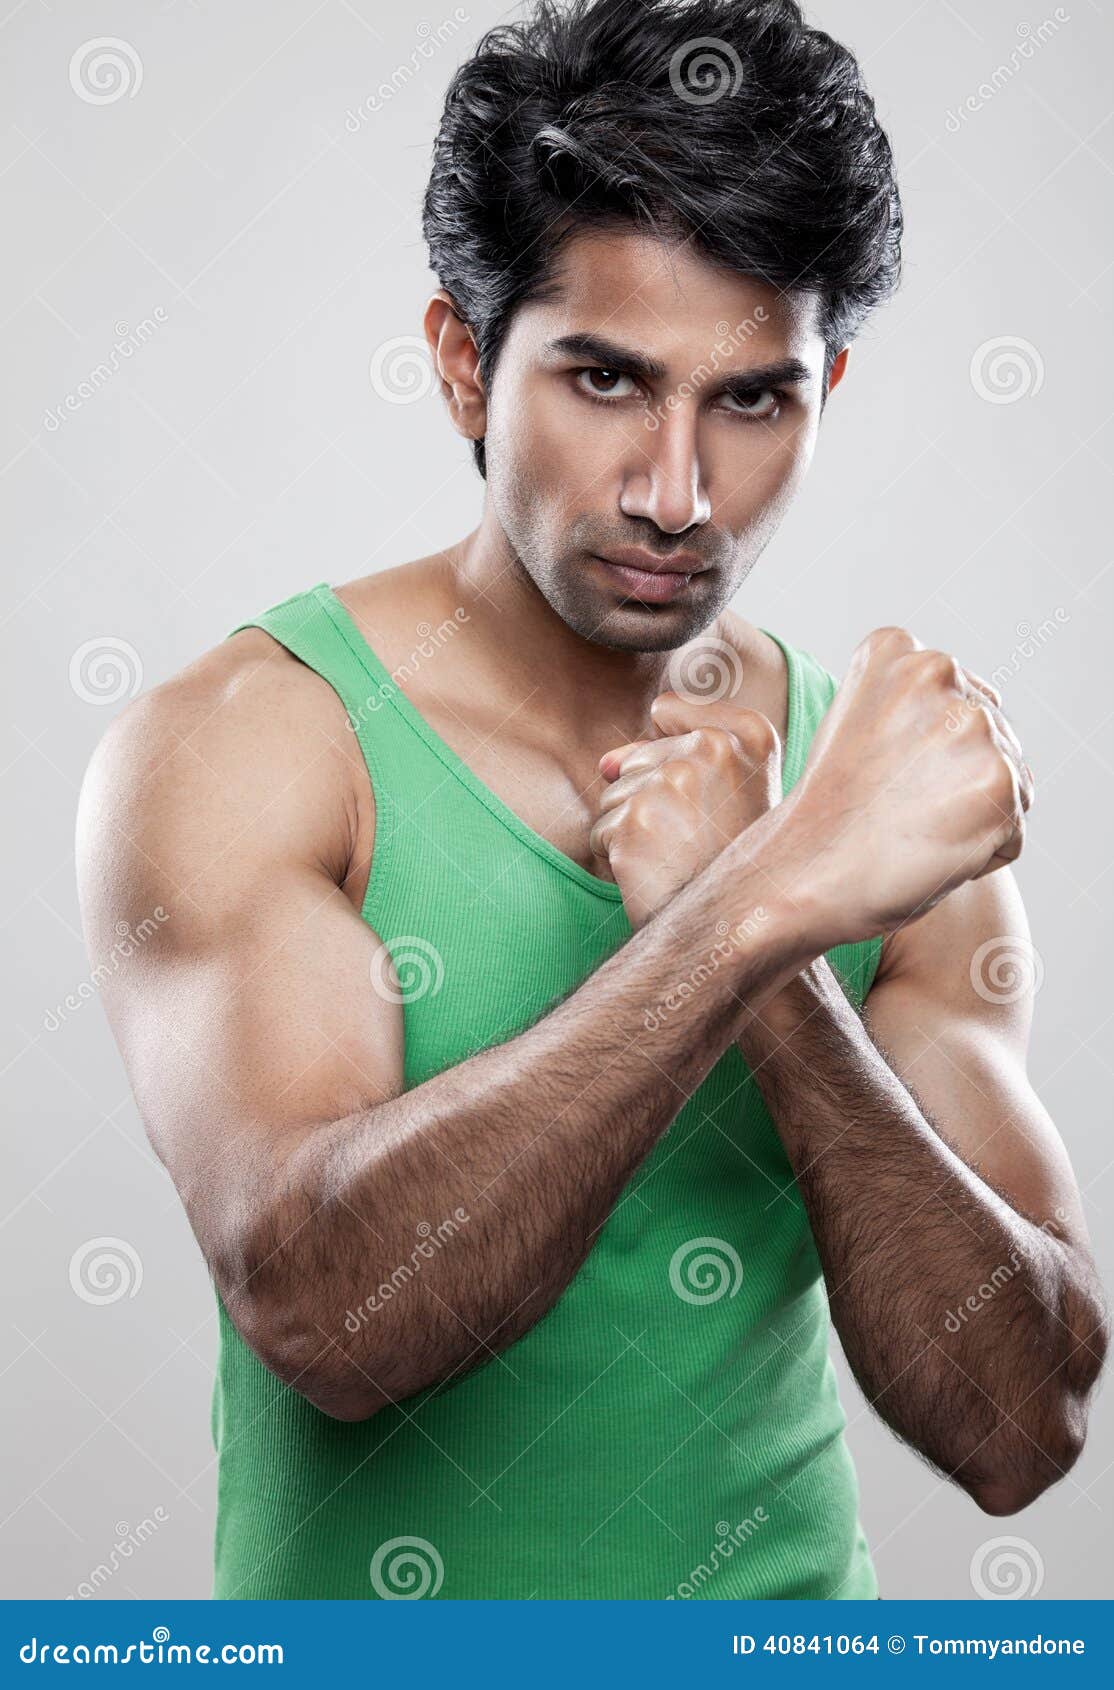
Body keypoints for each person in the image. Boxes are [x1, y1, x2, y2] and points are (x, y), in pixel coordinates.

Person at [77, 0, 1105, 1601]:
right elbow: (327, 1315)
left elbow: (1017, 1420)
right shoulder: (256, 740)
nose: (675, 493)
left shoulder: (876, 796)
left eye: (751, 399)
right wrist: (753, 907)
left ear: (826, 387)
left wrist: (779, 953)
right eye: (605, 380)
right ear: (461, 361)